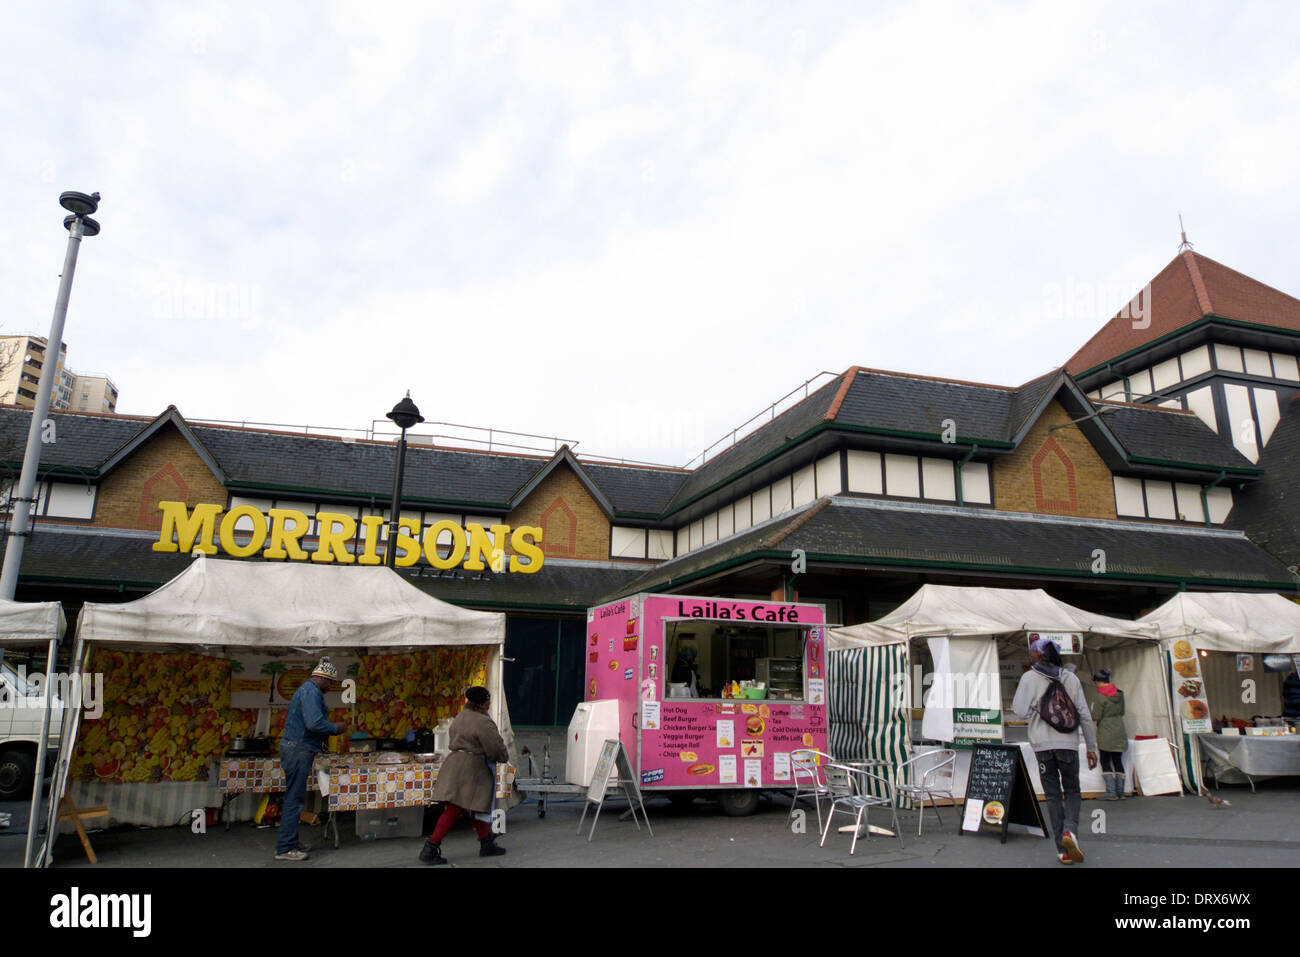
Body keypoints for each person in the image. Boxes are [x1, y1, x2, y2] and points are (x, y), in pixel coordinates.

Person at [1012, 638, 1098, 865]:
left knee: (1052, 795)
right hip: (1068, 743)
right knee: (1072, 790)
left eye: (1032, 652)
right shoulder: (1070, 677)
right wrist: (1091, 747)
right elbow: (1084, 715)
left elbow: (1019, 711)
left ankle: (1063, 850)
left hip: (1042, 745)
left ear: (1039, 654)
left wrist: (1034, 706)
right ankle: (1070, 831)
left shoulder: (1029, 677)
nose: (1030, 655)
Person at [419, 686, 511, 864]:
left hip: (455, 763)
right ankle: (430, 847)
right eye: (488, 700)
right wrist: (502, 757)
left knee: (474, 805)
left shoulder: (461, 716)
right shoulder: (482, 721)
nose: (490, 703)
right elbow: (494, 746)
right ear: (483, 703)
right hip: (471, 768)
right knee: (455, 808)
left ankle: (486, 843)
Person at [275, 658, 347, 862]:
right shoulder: (311, 692)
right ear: (323, 678)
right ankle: (285, 847)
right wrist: (336, 728)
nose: (330, 687)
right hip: (299, 749)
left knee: (295, 797)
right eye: (330, 683)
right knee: (294, 799)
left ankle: (290, 841)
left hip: (297, 748)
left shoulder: (307, 691)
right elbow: (314, 723)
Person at [1090, 669, 1127, 801]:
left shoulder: (1099, 696)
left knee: (1105, 760)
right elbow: (1122, 711)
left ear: (1098, 681)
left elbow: (1095, 715)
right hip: (1119, 727)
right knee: (1118, 760)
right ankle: (1120, 792)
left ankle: (1111, 792)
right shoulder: (1120, 694)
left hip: (1105, 729)